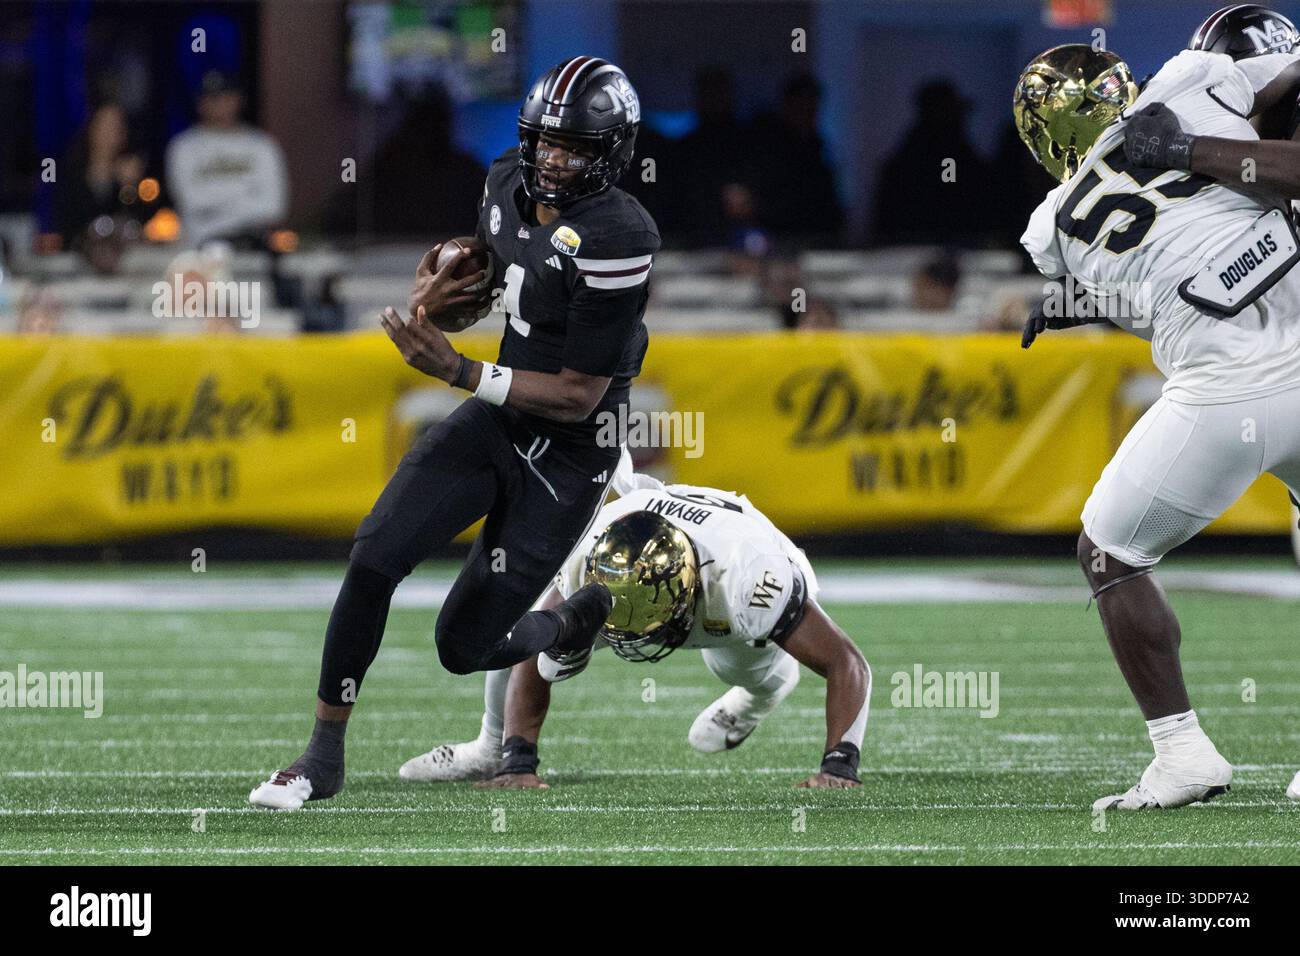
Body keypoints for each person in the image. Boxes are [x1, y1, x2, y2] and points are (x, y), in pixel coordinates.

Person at [249, 56, 660, 811]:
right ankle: (322, 756)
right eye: (544, 141)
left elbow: (576, 395)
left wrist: (460, 370)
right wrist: (443, 286)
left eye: (572, 148)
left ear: (612, 155)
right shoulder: (505, 180)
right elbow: (488, 271)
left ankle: (569, 620)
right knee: (374, 556)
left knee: (460, 648)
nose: (552, 159)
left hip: (570, 451)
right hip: (502, 420)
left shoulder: (618, 235)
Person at [1014, 38, 1300, 810]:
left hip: (1226, 392)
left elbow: (1157, 275)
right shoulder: (1192, 79)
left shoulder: (1051, 228)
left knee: (1111, 552)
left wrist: (1076, 302)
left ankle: (1183, 754)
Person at [399, 457, 871, 790]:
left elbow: (847, 662)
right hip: (647, 541)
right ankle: (492, 747)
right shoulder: (594, 559)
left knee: (735, 667)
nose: (631, 635)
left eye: (644, 620)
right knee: (525, 628)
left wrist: (839, 767)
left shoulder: (746, 582)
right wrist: (517, 763)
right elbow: (532, 648)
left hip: (745, 556)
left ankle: (760, 693)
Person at [165, 70, 288, 248]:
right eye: (213, 98)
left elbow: (274, 207)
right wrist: (247, 194)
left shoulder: (262, 146)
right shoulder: (183, 147)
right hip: (200, 247)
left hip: (252, 249)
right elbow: (191, 201)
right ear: (200, 103)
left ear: (239, 99)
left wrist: (215, 202)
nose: (220, 104)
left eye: (226, 97)